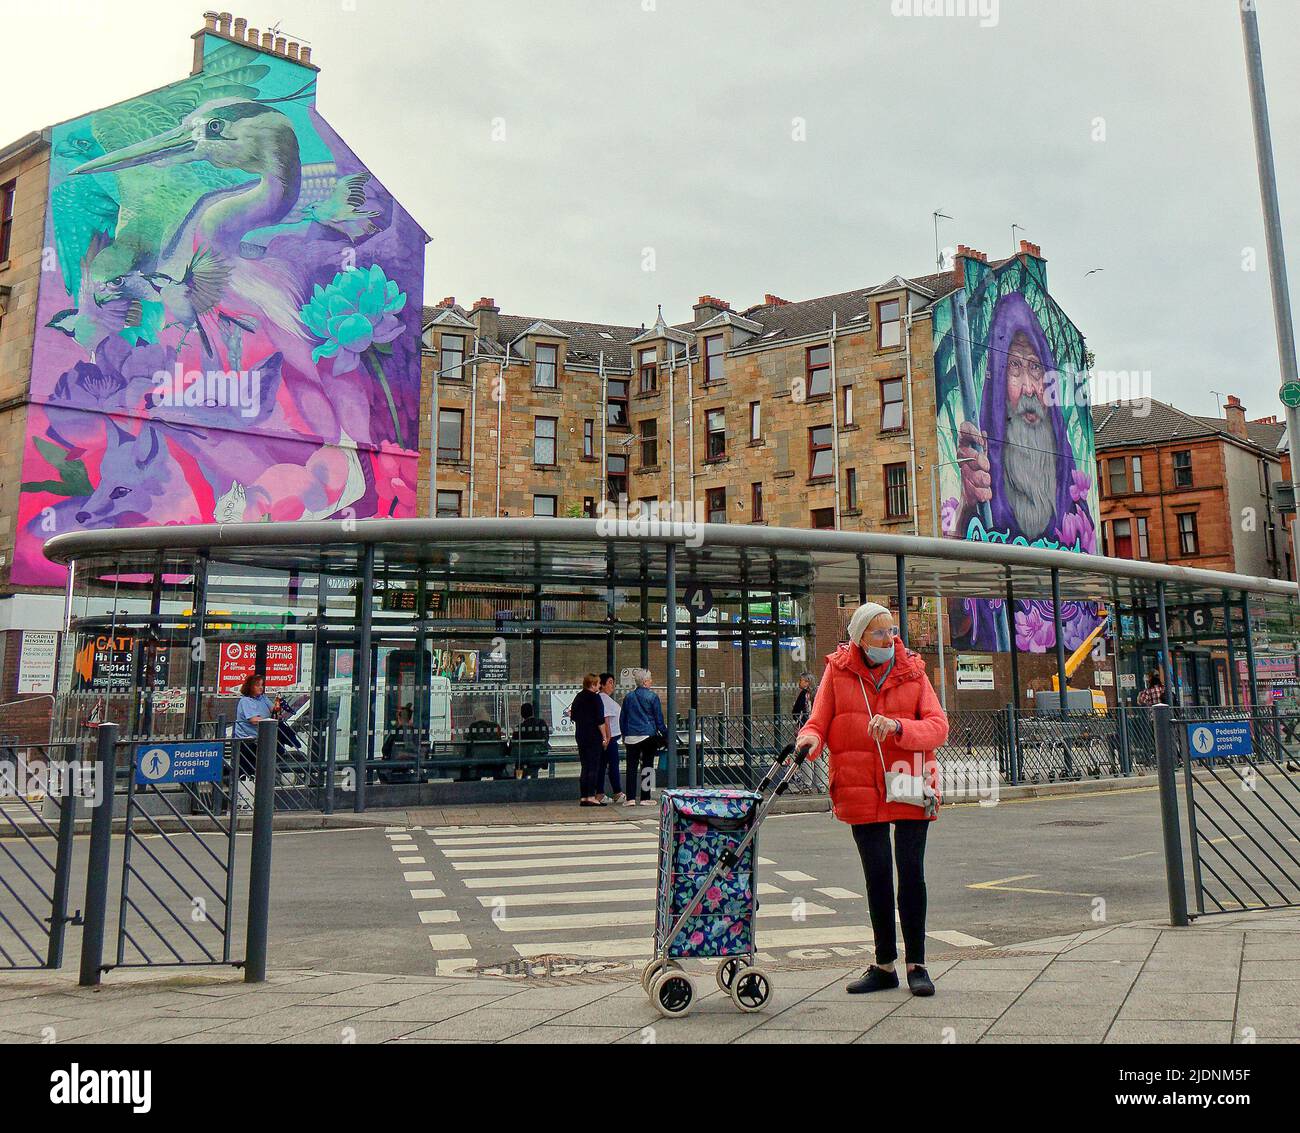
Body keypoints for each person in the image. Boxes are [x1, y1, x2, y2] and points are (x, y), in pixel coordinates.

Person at [795, 601, 948, 998]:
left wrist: (899, 727)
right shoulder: (838, 669)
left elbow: (938, 726)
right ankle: (884, 965)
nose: (889, 638)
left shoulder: (913, 670)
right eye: (879, 632)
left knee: (911, 873)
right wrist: (810, 741)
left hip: (910, 784)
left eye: (892, 630)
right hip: (859, 783)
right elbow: (819, 720)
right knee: (877, 875)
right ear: (859, 637)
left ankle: (918, 964)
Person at [620, 668, 667, 806]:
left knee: (631, 767)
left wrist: (624, 734)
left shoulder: (628, 697)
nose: (651, 681)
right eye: (650, 679)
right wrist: (666, 734)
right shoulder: (653, 697)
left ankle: (630, 798)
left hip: (631, 736)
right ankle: (646, 797)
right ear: (645, 682)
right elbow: (659, 720)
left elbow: (623, 718)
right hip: (648, 736)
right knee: (648, 766)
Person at [233, 674, 279, 799]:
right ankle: (245, 797)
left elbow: (273, 709)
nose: (261, 688)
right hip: (247, 740)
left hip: (260, 738)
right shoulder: (246, 701)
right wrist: (268, 721)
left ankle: (258, 796)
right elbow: (253, 719)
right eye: (257, 685)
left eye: (262, 685)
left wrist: (278, 705)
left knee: (260, 769)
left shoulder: (262, 698)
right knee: (247, 769)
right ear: (250, 687)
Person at [570, 674, 609, 806]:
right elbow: (600, 720)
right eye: (598, 683)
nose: (599, 686)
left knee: (585, 765)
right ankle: (591, 796)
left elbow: (573, 715)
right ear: (592, 685)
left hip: (581, 734)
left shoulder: (579, 697)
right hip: (593, 735)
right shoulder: (596, 698)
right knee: (593, 765)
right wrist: (604, 736)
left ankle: (583, 796)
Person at [599, 673, 627, 805]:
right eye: (609, 682)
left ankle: (600, 792)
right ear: (602, 685)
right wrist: (608, 737)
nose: (612, 686)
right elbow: (606, 721)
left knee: (603, 765)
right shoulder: (604, 700)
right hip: (610, 739)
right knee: (613, 764)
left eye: (613, 682)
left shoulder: (603, 699)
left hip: (609, 738)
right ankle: (617, 792)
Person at [380, 704, 417, 784]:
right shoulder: (417, 733)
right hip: (412, 766)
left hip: (395, 767)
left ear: (399, 718)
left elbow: (385, 750)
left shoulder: (394, 733)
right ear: (410, 719)